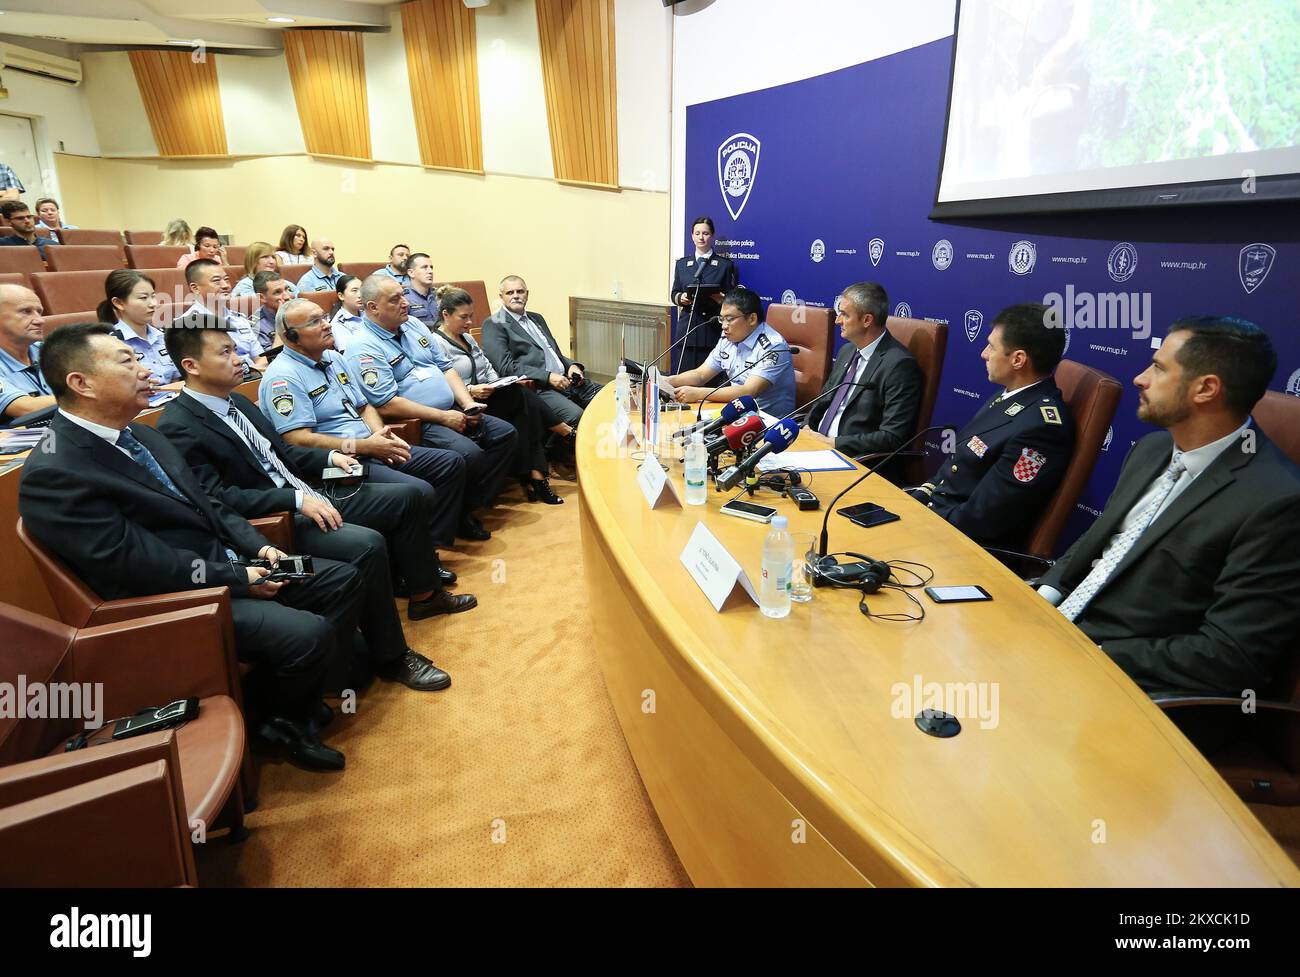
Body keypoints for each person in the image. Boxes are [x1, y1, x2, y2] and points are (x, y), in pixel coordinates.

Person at [19, 323, 359, 771]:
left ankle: (272, 704)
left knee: (339, 577)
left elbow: (211, 504)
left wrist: (260, 550)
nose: (145, 369)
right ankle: (287, 722)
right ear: (80, 383)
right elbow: (135, 563)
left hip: (231, 566)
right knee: (306, 634)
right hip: (174, 597)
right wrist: (238, 579)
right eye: (127, 361)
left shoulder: (141, 433)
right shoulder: (55, 470)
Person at [158, 315, 473, 643]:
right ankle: (392, 653)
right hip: (275, 519)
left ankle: (425, 597)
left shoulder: (235, 401)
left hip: (307, 487)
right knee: (367, 544)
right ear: (191, 365)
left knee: (408, 496)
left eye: (235, 349)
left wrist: (331, 457)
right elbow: (219, 498)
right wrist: (295, 500)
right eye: (224, 353)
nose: (238, 359)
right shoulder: (179, 425)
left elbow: (283, 453)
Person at [1038, 316, 1300, 700]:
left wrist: (1088, 654)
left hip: (1137, 690)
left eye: (1159, 368)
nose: (1140, 379)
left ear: (1206, 389)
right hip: (1059, 639)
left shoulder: (1276, 502)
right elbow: (1095, 546)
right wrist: (1039, 601)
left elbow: (1228, 656)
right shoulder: (1152, 450)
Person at [260, 297, 469, 549]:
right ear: (291, 337)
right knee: (418, 490)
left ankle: (430, 545)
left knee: (449, 463)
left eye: (325, 318)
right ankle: (418, 559)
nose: (327, 325)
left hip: (371, 446)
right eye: (315, 322)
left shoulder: (333, 358)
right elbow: (296, 438)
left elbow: (363, 405)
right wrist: (365, 446)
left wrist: (380, 435)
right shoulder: (283, 376)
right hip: (340, 463)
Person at [344, 275, 518, 541]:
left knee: (505, 434)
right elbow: (386, 404)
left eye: (403, 295)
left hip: (451, 408)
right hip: (417, 420)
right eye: (395, 299)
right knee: (469, 455)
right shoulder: (362, 346)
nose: (405, 303)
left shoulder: (414, 325)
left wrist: (468, 404)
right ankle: (456, 519)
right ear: (372, 308)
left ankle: (467, 504)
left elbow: (445, 367)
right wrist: (444, 417)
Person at [912, 303, 1074, 545]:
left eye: (991, 346)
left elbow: (982, 518)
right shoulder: (1010, 395)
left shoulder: (1041, 428)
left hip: (963, 544)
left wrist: (921, 521)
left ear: (1018, 359)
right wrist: (916, 500)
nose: (984, 353)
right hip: (939, 517)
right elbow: (955, 468)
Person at [431, 286, 568, 504]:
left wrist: (498, 382)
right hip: (464, 404)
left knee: (522, 403)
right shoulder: (435, 343)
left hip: (488, 396)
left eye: (471, 317)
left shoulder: (468, 338)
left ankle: (535, 477)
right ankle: (558, 436)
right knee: (524, 403)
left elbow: (488, 369)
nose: (469, 323)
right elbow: (439, 383)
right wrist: (469, 390)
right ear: (446, 315)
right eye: (463, 317)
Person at [804, 281, 923, 483]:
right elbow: (823, 402)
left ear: (867, 320)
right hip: (817, 450)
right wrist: (806, 430)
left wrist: (833, 443)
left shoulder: (899, 366)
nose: (837, 320)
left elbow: (892, 437)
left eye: (845, 314)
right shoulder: (847, 350)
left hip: (855, 465)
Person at [481, 275, 602, 429]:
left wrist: (572, 365)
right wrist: (548, 377)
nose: (516, 296)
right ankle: (563, 451)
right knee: (580, 417)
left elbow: (553, 353)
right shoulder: (494, 324)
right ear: (501, 297)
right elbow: (505, 367)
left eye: (520, 291)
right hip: (540, 388)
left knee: (612, 399)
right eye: (510, 293)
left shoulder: (536, 318)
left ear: (527, 294)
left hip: (568, 380)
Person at [665, 286, 795, 418]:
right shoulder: (728, 337)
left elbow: (749, 391)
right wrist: (668, 381)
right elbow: (701, 374)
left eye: (729, 319)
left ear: (752, 319)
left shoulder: (773, 346)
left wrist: (698, 394)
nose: (724, 325)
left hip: (768, 421)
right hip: (736, 412)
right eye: (722, 319)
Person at [670, 216, 738, 372]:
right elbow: (674, 293)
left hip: (711, 329)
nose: (701, 237)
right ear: (692, 236)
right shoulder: (682, 264)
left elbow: (731, 300)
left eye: (705, 233)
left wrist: (721, 299)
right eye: (697, 233)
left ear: (712, 236)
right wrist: (681, 298)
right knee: (683, 379)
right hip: (687, 329)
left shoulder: (724, 265)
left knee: (708, 382)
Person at [179, 259, 266, 373]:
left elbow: (260, 359)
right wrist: (248, 371)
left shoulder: (240, 319)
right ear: (195, 288)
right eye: (216, 281)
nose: (225, 285)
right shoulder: (187, 326)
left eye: (226, 279)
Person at [99, 269, 179, 385]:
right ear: (119, 303)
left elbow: (176, 380)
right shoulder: (110, 343)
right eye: (143, 298)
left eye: (153, 296)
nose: (153, 304)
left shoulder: (165, 335)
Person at [0, 283, 54, 421]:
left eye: (39, 312)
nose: (40, 320)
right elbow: (25, 408)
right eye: (26, 311)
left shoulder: (50, 350)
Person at [231, 241, 298, 299]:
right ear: (253, 261)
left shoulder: (285, 283)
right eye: (265, 257)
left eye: (273, 257)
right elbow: (254, 309)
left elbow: (299, 299)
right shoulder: (245, 285)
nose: (272, 261)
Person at [251, 270, 291, 353]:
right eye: (277, 292)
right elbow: (271, 358)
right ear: (262, 298)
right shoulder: (256, 325)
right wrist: (280, 322)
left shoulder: (299, 310)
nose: (287, 296)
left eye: (287, 289)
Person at [402, 252, 439, 325]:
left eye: (431, 267)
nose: (430, 271)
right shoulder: (404, 298)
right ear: (411, 273)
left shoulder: (439, 295)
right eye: (424, 267)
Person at [329, 275, 363, 352]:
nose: (360, 295)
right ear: (341, 296)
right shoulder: (337, 324)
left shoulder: (369, 314)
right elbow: (348, 354)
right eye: (354, 290)